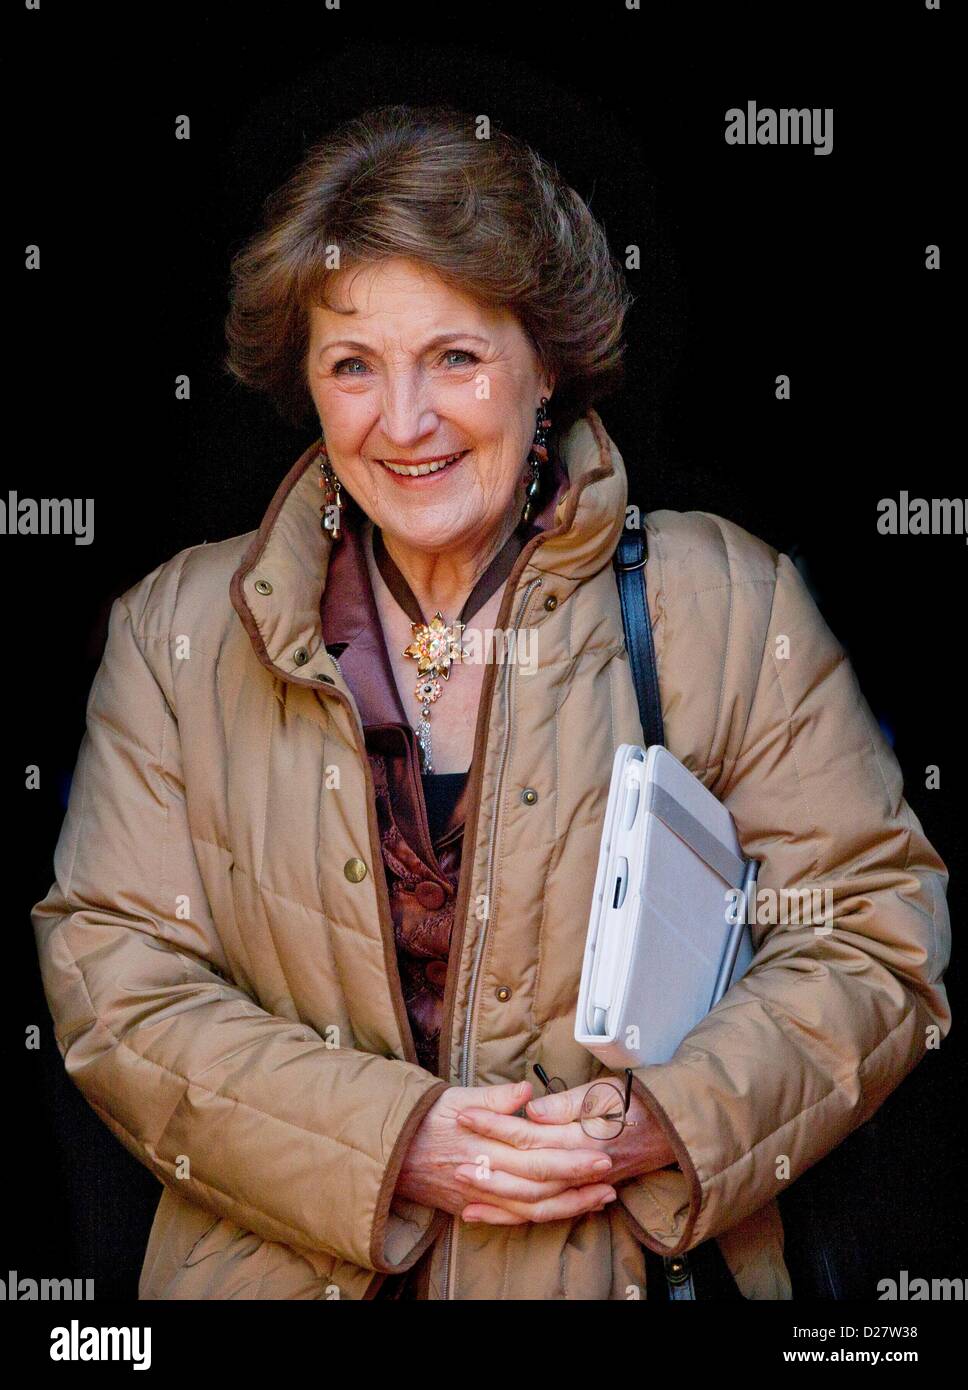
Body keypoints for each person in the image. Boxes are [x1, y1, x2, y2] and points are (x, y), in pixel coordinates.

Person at [31, 104, 951, 1301]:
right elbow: (114, 976)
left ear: (546, 361)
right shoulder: (177, 629)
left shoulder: (724, 600)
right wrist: (394, 1141)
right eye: (352, 365)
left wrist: (658, 1122)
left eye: (455, 358)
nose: (402, 421)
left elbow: (873, 931)